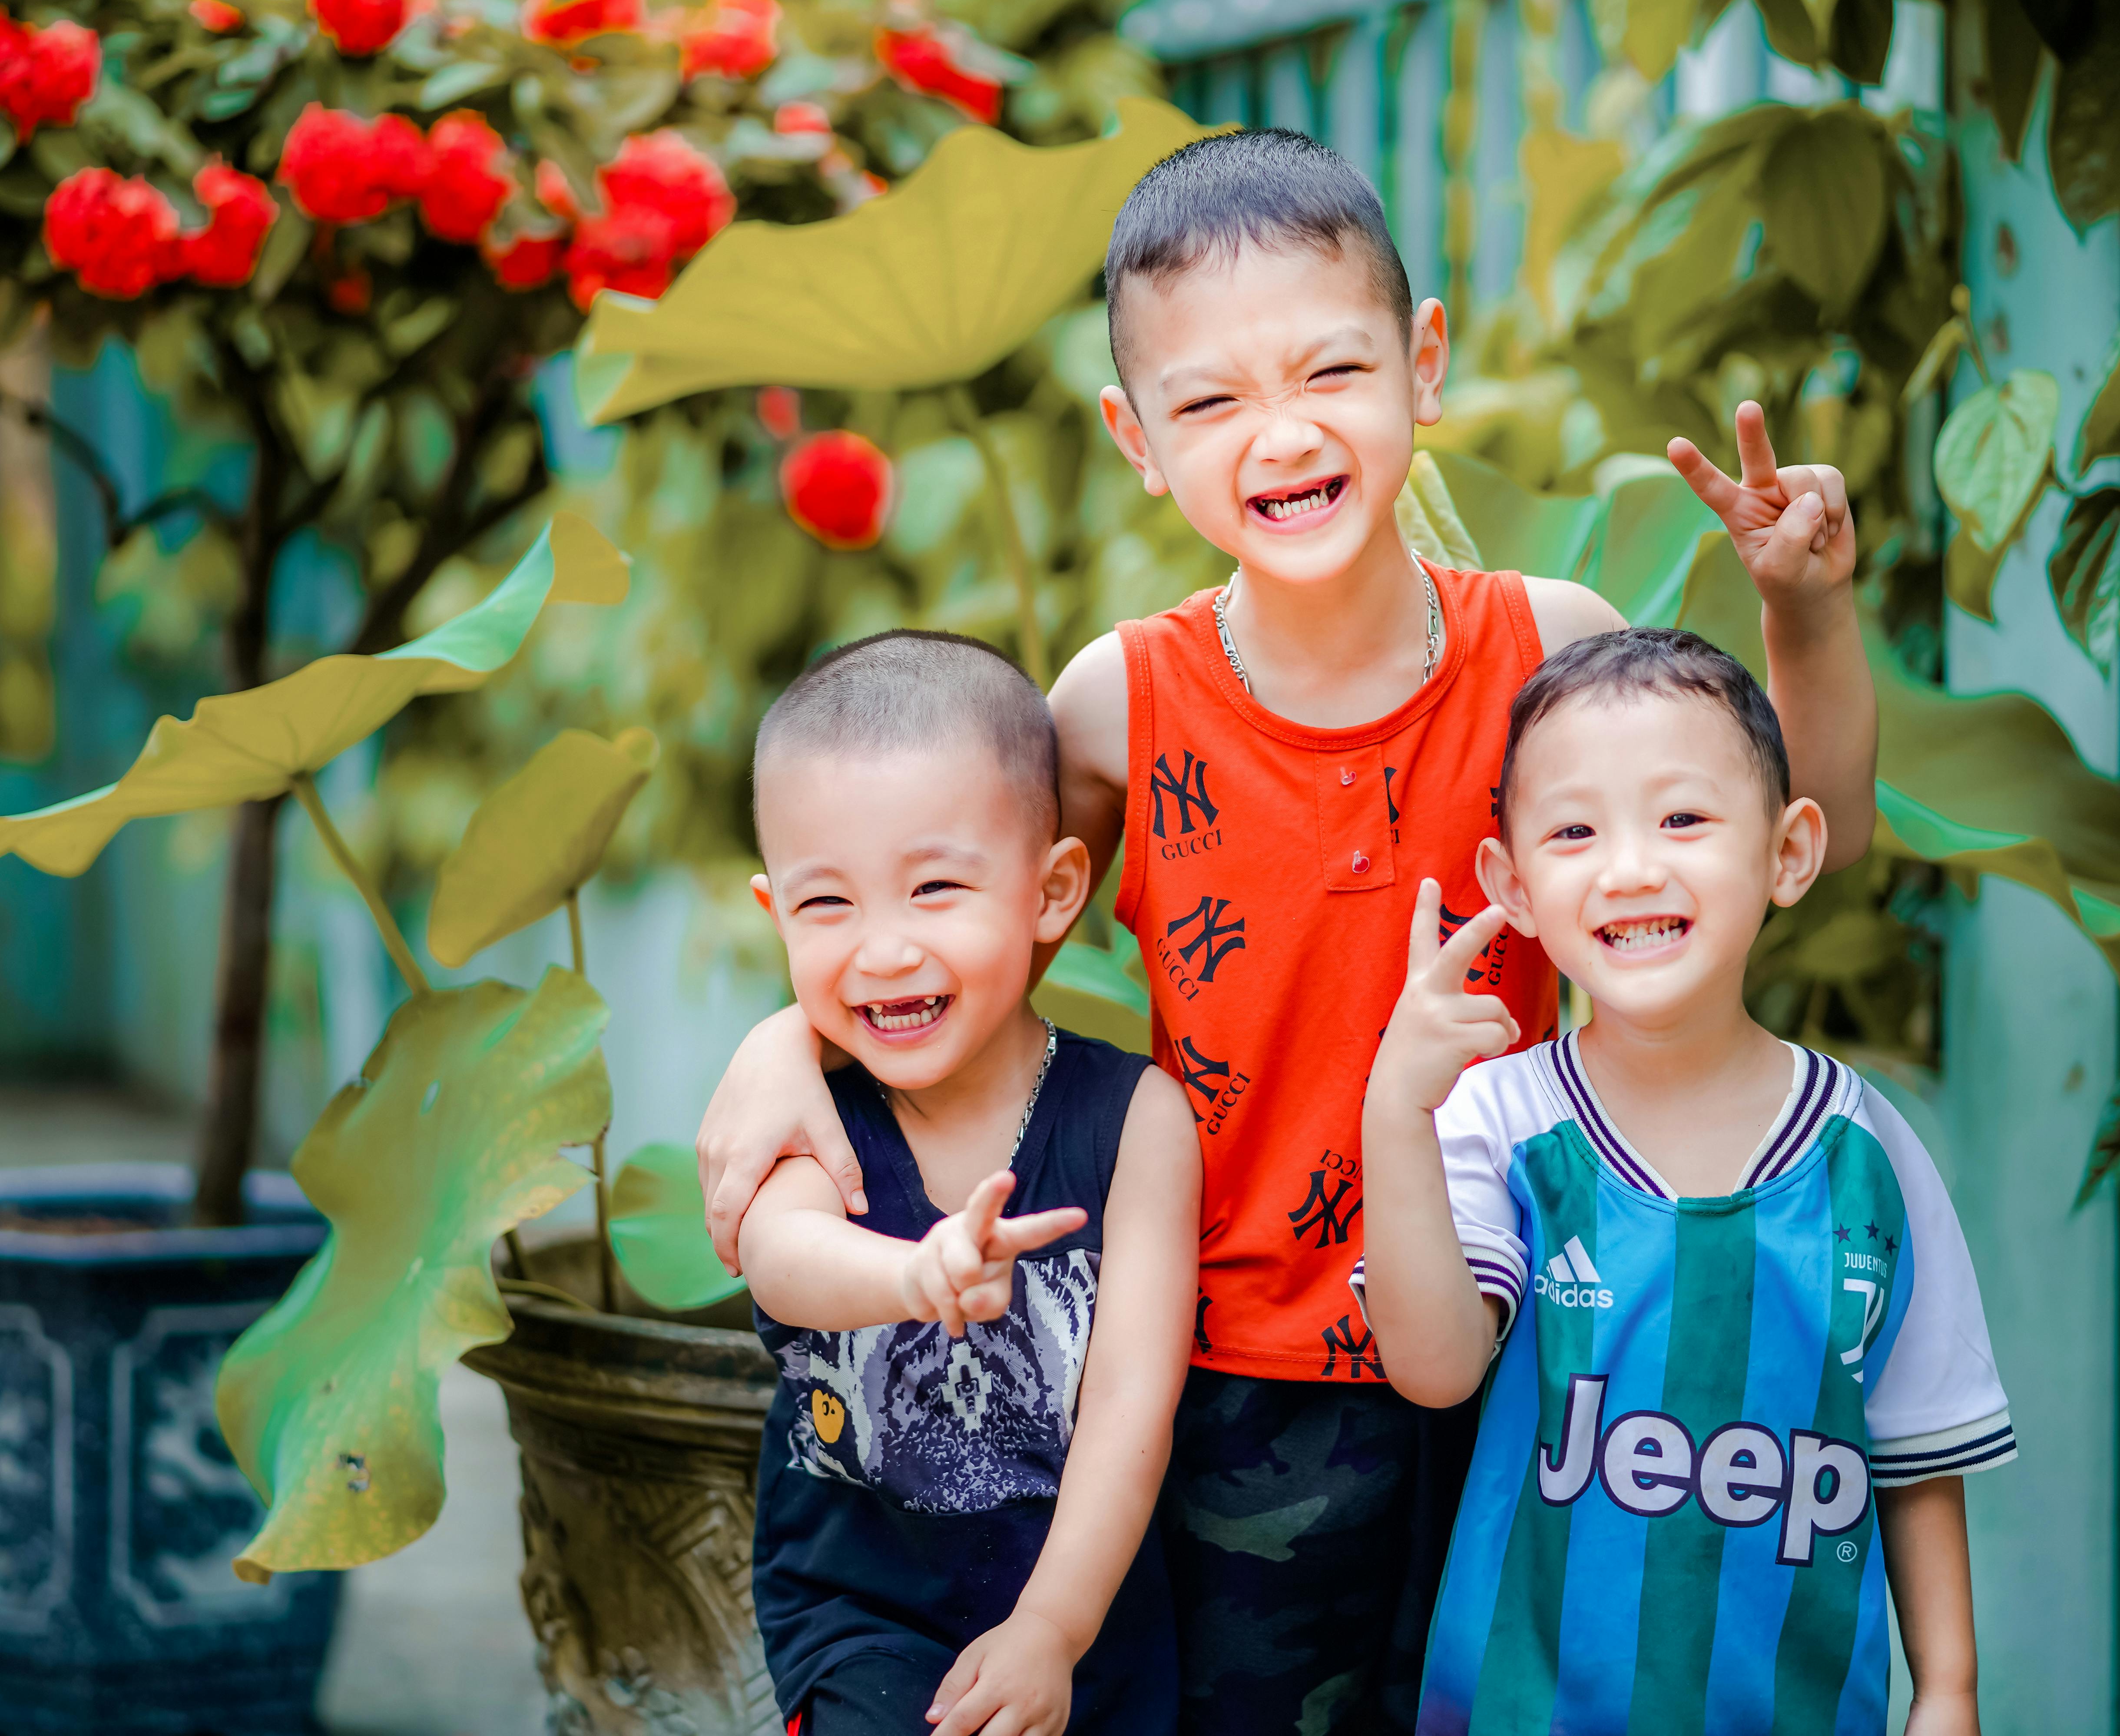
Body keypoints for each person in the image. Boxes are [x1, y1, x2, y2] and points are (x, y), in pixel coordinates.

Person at [703, 127, 1880, 1732]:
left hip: (1549, 1337)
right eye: (1210, 403)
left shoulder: (1553, 647)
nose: (1282, 435)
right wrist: (788, 1040)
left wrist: (1805, 616)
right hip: (1242, 1379)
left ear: (1425, 361)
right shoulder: (1118, 706)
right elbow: (958, 960)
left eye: (1330, 370)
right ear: (1136, 437)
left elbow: (1803, 847)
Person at [1359, 628, 2012, 1736]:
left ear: (1790, 852)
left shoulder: (1873, 1153)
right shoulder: (1500, 1121)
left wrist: (1949, 1689)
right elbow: (1432, 1368)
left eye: (1683, 818)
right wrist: (1395, 1110)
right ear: (1511, 885)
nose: (1630, 867)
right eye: (1574, 830)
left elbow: (1915, 1451)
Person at [738, 629, 1201, 1736]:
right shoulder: (809, 1108)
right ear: (775, 917)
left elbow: (1133, 1405)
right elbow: (779, 1257)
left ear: (1051, 891)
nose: (884, 950)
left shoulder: (1135, 1119)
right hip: (862, 1605)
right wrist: (919, 1271)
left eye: (935, 887)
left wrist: (1053, 1627)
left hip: (1087, 1605)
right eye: (827, 906)